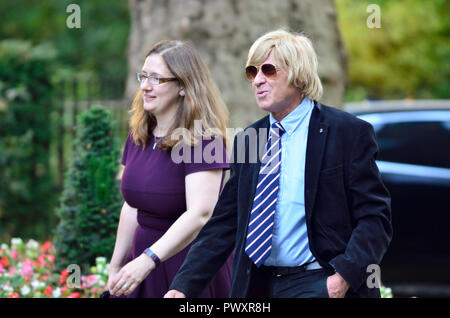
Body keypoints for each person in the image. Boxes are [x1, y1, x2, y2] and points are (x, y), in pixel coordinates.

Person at [165, 29, 392, 298]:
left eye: (269, 70)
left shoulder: (348, 133)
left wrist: (342, 277)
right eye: (253, 72)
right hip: (259, 284)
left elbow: (374, 218)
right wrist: (182, 287)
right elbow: (224, 223)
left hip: (320, 281)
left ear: (298, 75)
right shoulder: (249, 138)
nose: (258, 80)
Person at [107, 40, 233, 298]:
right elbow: (132, 206)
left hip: (188, 268)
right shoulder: (138, 135)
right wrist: (116, 265)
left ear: (184, 87)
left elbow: (200, 214)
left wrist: (148, 259)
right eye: (143, 76)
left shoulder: (203, 139)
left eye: (156, 78)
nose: (145, 86)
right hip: (141, 265)